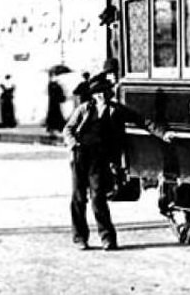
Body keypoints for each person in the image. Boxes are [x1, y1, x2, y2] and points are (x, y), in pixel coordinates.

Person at [63, 71, 171, 250]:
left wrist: (163, 134)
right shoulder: (84, 109)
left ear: (108, 93)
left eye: (104, 92)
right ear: (93, 95)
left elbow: (142, 121)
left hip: (100, 159)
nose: (102, 96)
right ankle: (80, 238)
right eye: (98, 93)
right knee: (78, 198)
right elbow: (68, 129)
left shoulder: (117, 110)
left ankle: (107, 238)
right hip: (80, 156)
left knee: (98, 197)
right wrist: (73, 144)